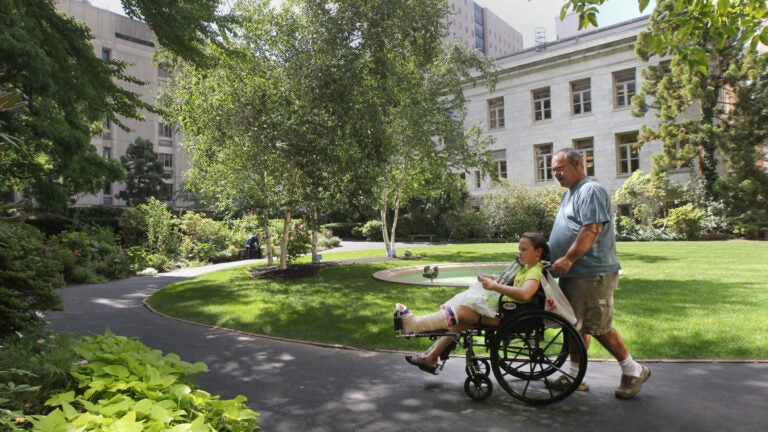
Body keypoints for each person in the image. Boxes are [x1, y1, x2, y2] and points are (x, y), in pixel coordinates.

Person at [547, 148, 650, 399]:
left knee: (599, 326)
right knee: (576, 325)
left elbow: (591, 230)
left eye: (560, 168)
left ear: (577, 164)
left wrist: (568, 259)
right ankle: (574, 375)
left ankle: (633, 370)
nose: (556, 174)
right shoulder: (570, 194)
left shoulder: (590, 190)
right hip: (575, 273)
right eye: (553, 170)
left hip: (591, 272)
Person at [394, 232, 549, 375]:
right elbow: (508, 283)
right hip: (507, 313)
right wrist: (490, 278)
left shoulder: (534, 272)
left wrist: (494, 287)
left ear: (538, 252)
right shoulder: (526, 269)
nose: (519, 253)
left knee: (462, 311)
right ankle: (430, 358)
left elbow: (525, 294)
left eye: (524, 249)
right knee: (460, 321)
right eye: (519, 249)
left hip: (508, 317)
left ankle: (416, 325)